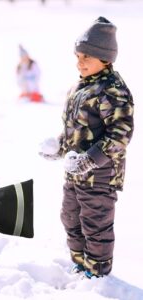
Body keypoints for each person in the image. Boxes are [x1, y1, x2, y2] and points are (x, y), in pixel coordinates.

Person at [39, 17, 134, 278]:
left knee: (96, 226)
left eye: (86, 57)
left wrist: (89, 161)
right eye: (78, 56)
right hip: (75, 174)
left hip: (100, 176)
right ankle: (80, 265)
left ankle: (98, 274)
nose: (80, 62)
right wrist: (58, 147)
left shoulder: (113, 91)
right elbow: (78, 130)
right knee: (70, 217)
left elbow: (120, 135)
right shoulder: (81, 86)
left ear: (105, 59)